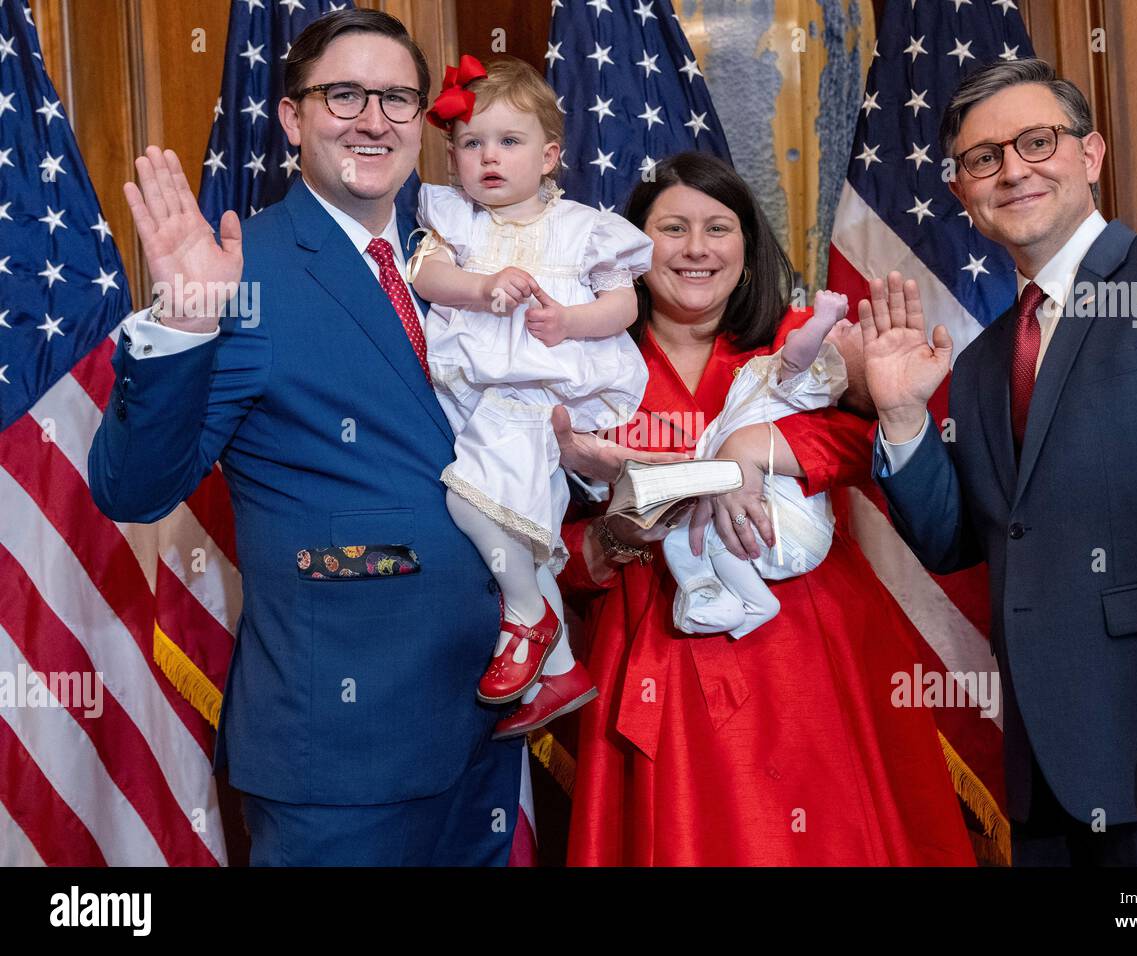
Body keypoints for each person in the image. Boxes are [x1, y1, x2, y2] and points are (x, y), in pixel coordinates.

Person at [86, 10, 664, 866]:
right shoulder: (245, 271)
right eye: (344, 94)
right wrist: (183, 324)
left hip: (487, 725)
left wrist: (577, 460)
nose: (374, 118)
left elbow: (499, 439)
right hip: (341, 751)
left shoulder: (468, 241)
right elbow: (132, 488)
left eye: (397, 97)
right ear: (292, 117)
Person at [860, 58, 1137, 865]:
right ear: (960, 192)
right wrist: (900, 415)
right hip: (1049, 786)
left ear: (1090, 155)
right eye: (983, 159)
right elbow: (959, 543)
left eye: (1036, 142)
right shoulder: (985, 357)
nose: (1013, 170)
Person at [560, 152, 976, 866]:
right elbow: (531, 526)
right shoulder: (581, 364)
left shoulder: (795, 342)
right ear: (632, 247)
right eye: (673, 228)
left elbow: (860, 440)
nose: (697, 249)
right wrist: (602, 544)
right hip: (654, 645)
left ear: (748, 249)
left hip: (803, 649)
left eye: (718, 228)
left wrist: (753, 447)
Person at [407, 55, 652, 736]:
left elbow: (624, 305)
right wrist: (483, 288)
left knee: (470, 498)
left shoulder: (584, 227)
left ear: (547, 156)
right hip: (469, 394)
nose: (489, 157)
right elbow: (427, 276)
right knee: (519, 523)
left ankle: (527, 616)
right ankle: (562, 667)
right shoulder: (456, 219)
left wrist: (571, 322)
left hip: (540, 393)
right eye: (471, 144)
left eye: (509, 142)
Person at [662, 289, 849, 638]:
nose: (841, 326)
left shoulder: (811, 378)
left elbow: (797, 358)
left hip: (786, 526)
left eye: (844, 330)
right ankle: (718, 597)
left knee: (704, 534)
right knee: (684, 535)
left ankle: (754, 603)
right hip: (784, 525)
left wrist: (824, 319)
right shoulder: (770, 378)